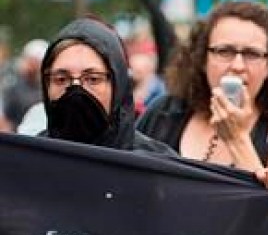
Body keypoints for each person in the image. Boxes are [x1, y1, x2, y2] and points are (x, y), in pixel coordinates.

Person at [138, 0, 268, 189]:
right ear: (202, 59)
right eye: (224, 51)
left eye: (251, 54)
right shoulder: (164, 113)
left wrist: (237, 139)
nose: (237, 66)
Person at [38, 18, 173, 153]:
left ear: (117, 85)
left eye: (93, 79)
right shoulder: (29, 159)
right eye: (61, 79)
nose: (76, 90)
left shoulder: (156, 167)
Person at [4, 39, 47, 129]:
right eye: (29, 60)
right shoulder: (14, 88)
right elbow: (7, 120)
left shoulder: (50, 89)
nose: (31, 65)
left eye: (34, 61)